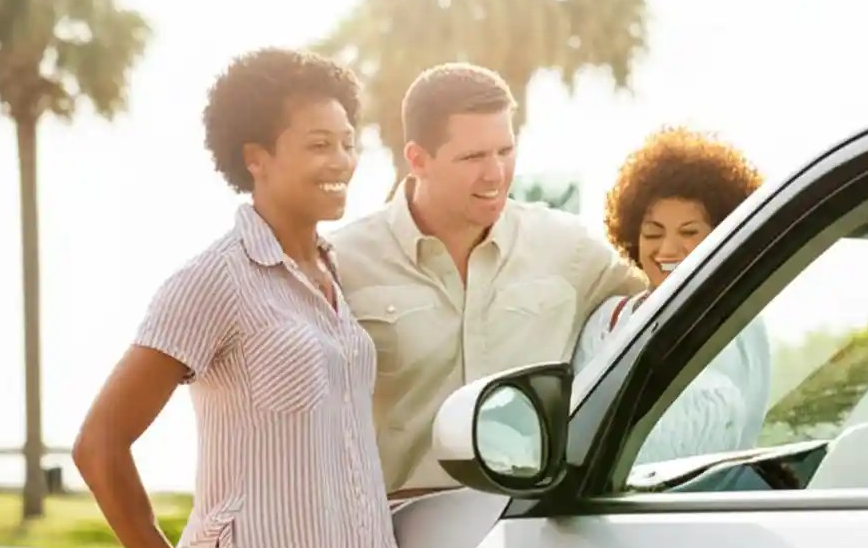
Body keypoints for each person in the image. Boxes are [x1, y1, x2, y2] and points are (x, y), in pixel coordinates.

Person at [74, 48, 400, 548]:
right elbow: (99, 444)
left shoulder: (333, 272)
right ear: (257, 157)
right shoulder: (214, 280)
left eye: (348, 142)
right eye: (319, 145)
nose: (343, 161)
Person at [329, 62, 647, 498]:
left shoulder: (569, 248)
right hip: (396, 541)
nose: (495, 174)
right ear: (418, 160)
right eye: (473, 157)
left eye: (504, 151)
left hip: (526, 533)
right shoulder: (341, 264)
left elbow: (670, 300)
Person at [572, 125, 771, 464]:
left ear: (723, 234)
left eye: (689, 232)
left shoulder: (742, 325)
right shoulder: (607, 322)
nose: (667, 249)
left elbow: (743, 431)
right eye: (653, 232)